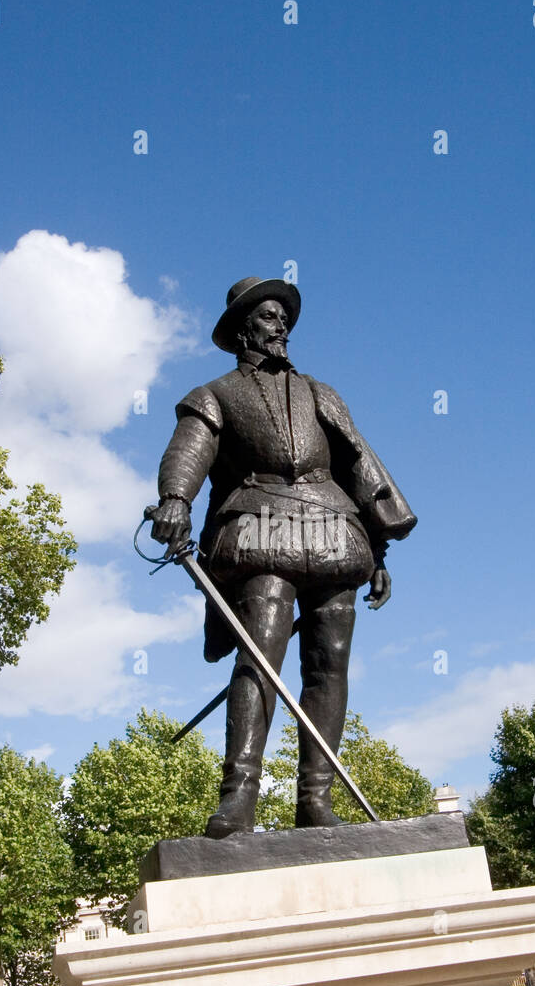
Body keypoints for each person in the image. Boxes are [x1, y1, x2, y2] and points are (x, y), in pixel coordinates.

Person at [150, 277, 416, 838]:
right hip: (258, 529)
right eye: (269, 317)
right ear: (244, 328)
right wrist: (176, 500)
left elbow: (358, 463)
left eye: (284, 318)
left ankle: (315, 799)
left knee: (328, 662)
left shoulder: (321, 392)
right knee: (259, 658)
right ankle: (239, 797)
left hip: (333, 530)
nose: (282, 327)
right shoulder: (214, 395)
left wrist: (382, 547)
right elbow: (187, 453)